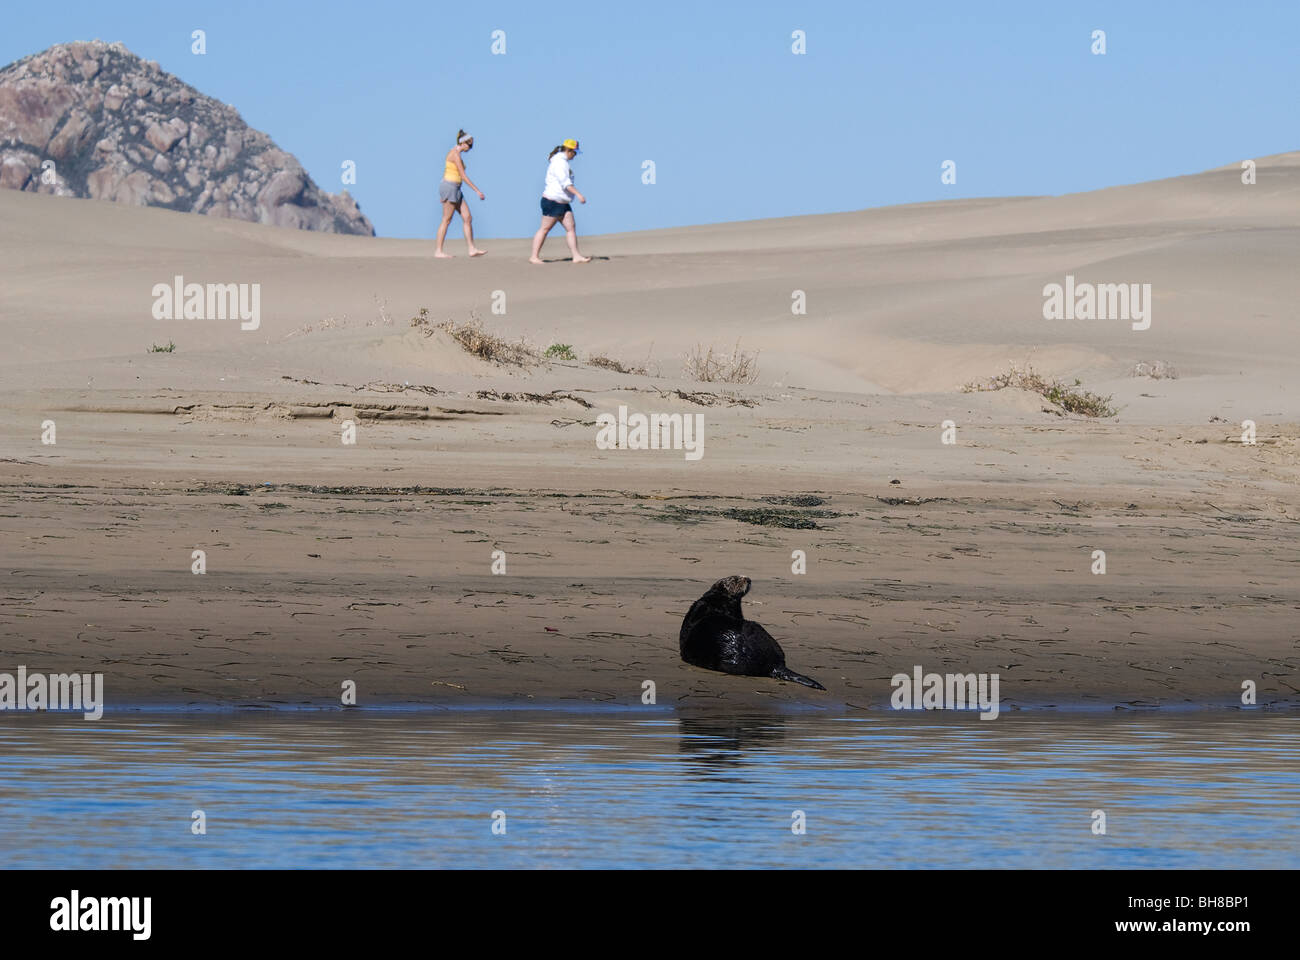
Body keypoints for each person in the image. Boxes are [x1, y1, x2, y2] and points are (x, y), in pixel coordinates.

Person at [530, 138, 590, 263]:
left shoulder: (563, 162)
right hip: (552, 201)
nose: (575, 155)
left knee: (571, 228)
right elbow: (565, 183)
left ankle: (576, 256)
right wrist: (579, 195)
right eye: (574, 152)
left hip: (563, 202)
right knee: (545, 229)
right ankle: (534, 256)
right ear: (568, 150)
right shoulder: (559, 163)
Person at [436, 129, 486, 258]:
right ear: (463, 143)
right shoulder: (455, 154)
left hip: (456, 189)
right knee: (446, 220)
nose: (470, 148)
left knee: (467, 217)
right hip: (450, 187)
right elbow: (463, 175)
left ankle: (471, 249)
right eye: (469, 145)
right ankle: (438, 251)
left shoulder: (458, 153)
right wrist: (477, 190)